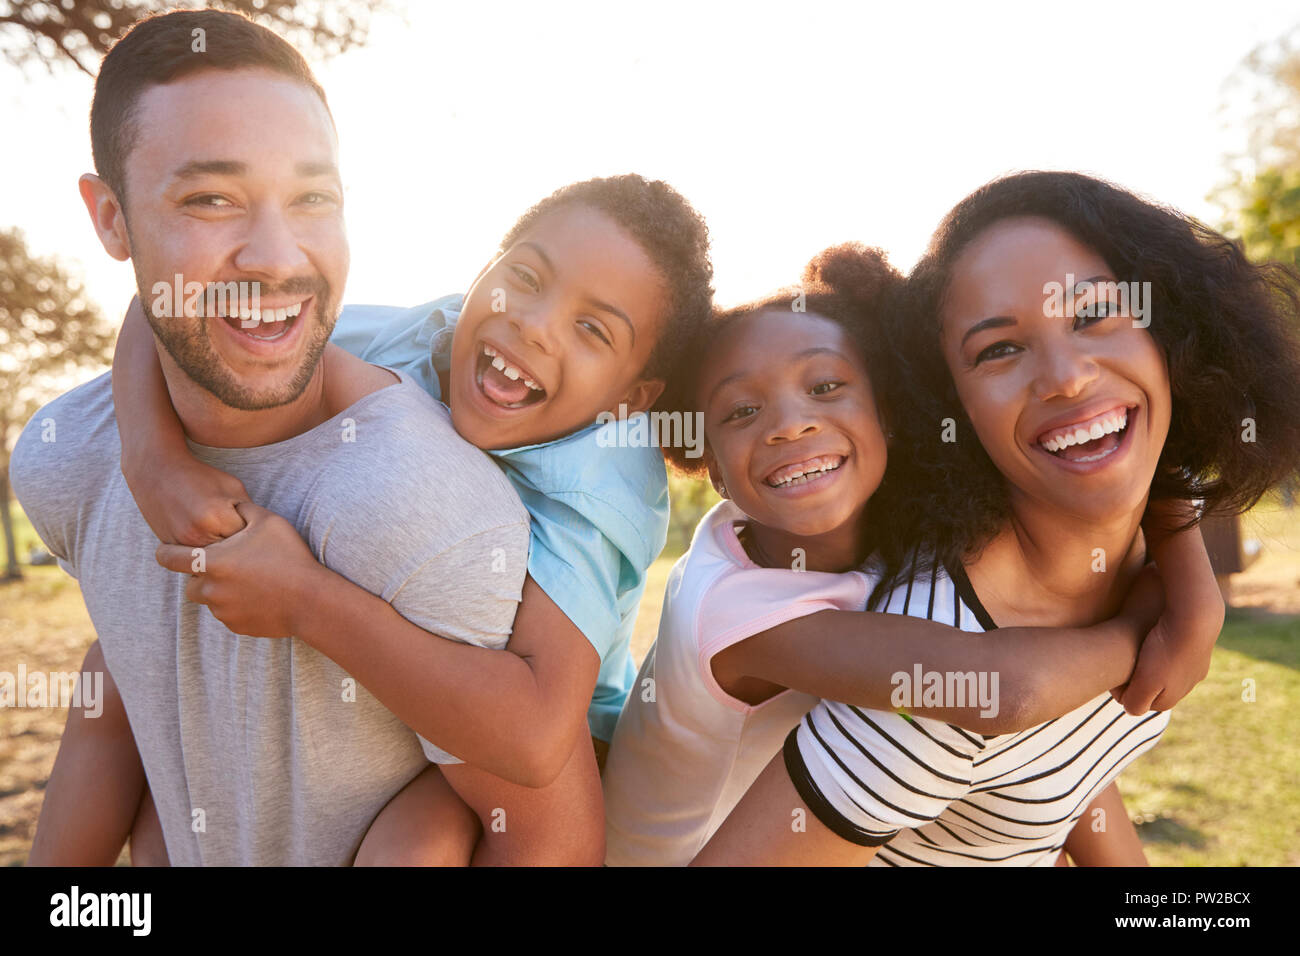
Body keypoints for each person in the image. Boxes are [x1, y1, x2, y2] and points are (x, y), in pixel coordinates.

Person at [15, 9, 528, 866]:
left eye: (313, 198)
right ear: (110, 220)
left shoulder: (421, 509)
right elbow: (131, 687)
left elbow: (538, 824)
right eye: (210, 199)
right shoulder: (64, 462)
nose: (278, 257)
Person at [103, 173, 712, 866]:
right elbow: (173, 305)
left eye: (592, 328)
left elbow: (538, 736)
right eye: (525, 277)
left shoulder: (603, 475)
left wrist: (304, 600)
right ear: (485, 267)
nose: (535, 323)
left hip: (524, 753)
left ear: (632, 397)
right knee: (123, 704)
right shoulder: (409, 339)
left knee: (417, 846)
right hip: (391, 690)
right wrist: (150, 456)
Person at [695, 171, 1300, 865]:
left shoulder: (1145, 529)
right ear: (946, 406)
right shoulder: (930, 693)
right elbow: (1002, 711)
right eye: (999, 350)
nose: (1067, 376)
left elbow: (1062, 777)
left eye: (1094, 313)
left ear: (1171, 333)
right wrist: (1150, 626)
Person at [603, 243, 1218, 866]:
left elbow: (1140, 467)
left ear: (889, 415)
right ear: (711, 468)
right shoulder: (732, 607)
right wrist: (1149, 624)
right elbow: (994, 690)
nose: (789, 425)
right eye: (741, 412)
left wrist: (1193, 588)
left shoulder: (889, 513)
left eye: (825, 386)